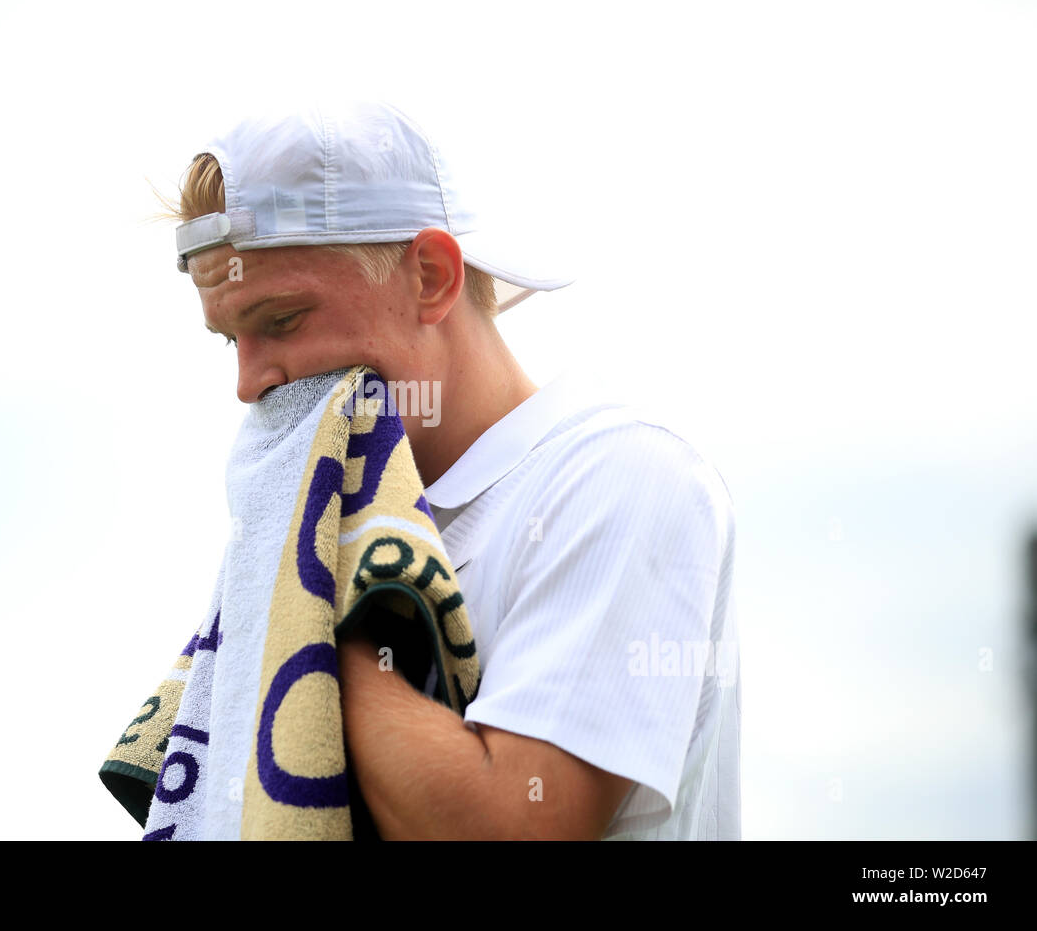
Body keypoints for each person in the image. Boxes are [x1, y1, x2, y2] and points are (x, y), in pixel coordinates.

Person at [159, 99, 740, 840]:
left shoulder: (621, 476)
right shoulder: (341, 516)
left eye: (281, 320)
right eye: (227, 337)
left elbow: (515, 827)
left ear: (431, 276)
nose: (248, 383)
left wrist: (305, 615)